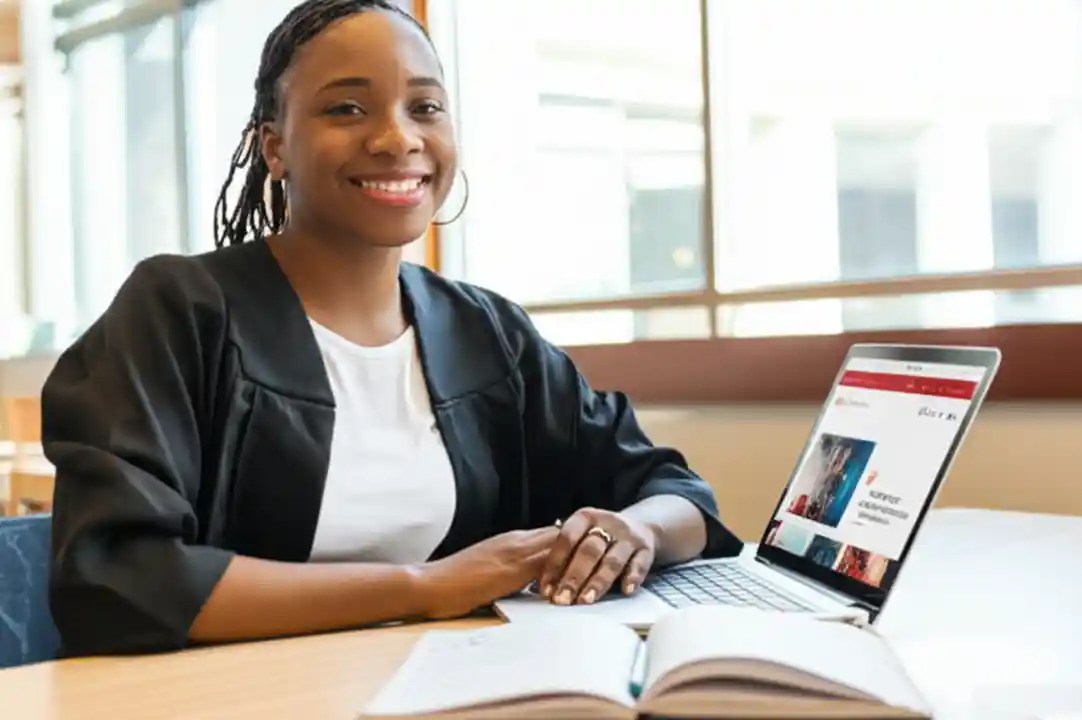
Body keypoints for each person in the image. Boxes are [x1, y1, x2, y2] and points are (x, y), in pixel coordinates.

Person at [40, 0, 739, 658]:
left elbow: (677, 494)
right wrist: (427, 588)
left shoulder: (486, 332)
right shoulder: (179, 311)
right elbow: (119, 577)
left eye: (425, 107)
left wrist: (634, 531)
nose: (398, 137)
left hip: (445, 683)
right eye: (346, 108)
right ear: (274, 147)